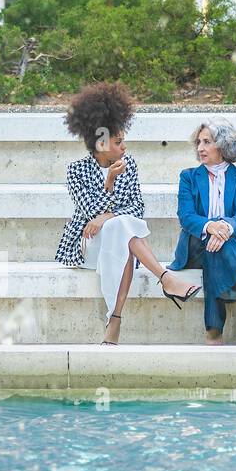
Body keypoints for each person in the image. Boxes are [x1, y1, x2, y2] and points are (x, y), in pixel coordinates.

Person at [55, 82, 200, 345]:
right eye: (119, 142)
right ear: (101, 143)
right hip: (87, 246)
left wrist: (108, 217)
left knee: (119, 228)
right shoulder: (75, 170)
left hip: (116, 239)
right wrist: (109, 182)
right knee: (121, 227)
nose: (125, 147)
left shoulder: (129, 164)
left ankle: (115, 321)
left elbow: (137, 208)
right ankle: (165, 278)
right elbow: (90, 212)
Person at [169, 119, 236, 345]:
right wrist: (211, 226)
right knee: (214, 241)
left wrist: (224, 228)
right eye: (198, 142)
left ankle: (213, 333)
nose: (200, 148)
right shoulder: (188, 177)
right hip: (195, 245)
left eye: (207, 142)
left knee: (215, 247)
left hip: (230, 247)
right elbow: (186, 216)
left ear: (223, 145)